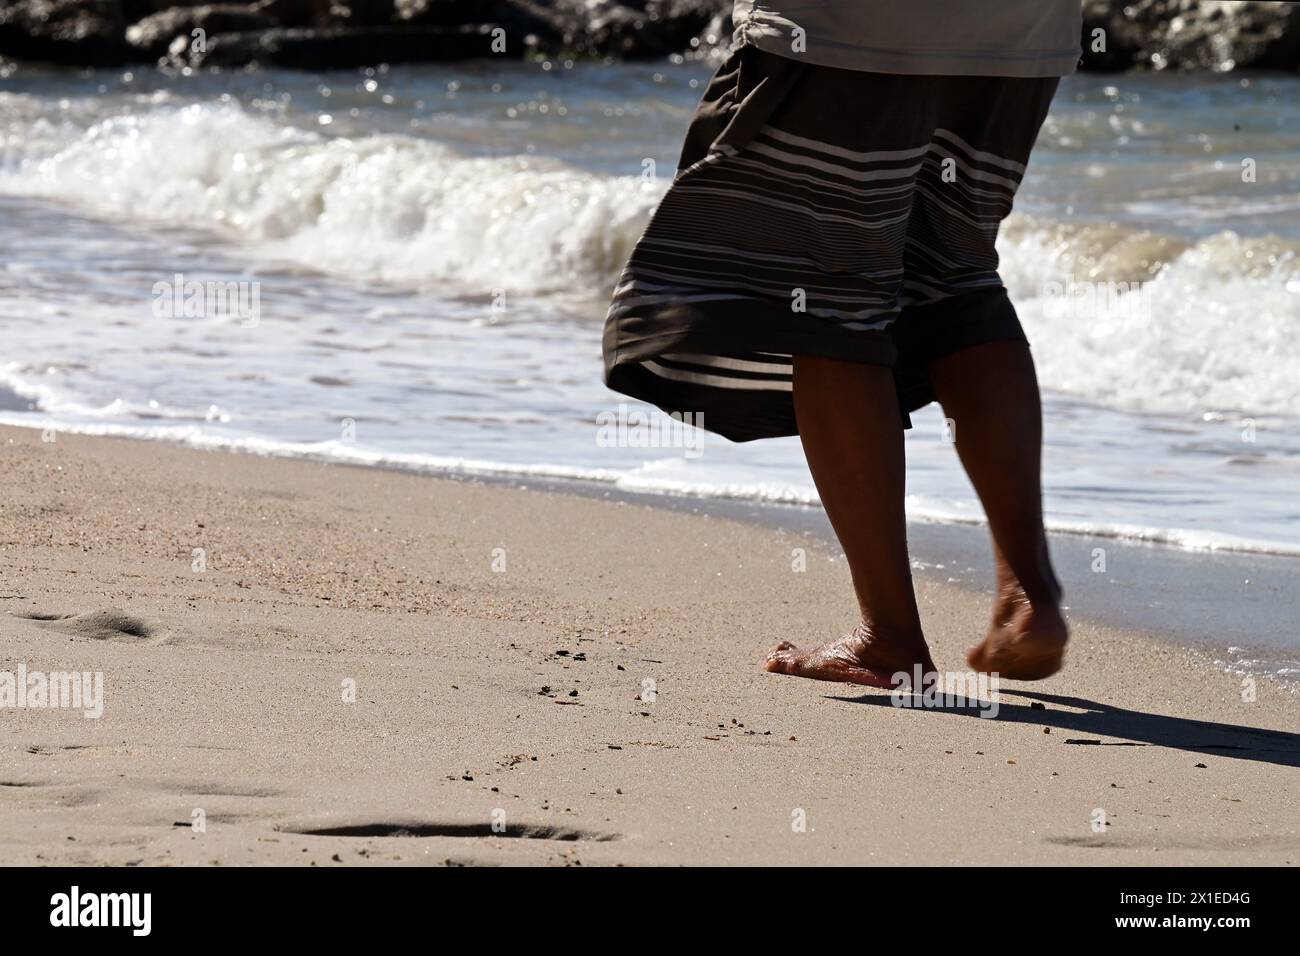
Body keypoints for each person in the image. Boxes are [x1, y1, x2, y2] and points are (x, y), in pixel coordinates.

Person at [602, 1, 1081, 687]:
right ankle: (1028, 595)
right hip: (1020, 28)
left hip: (850, 27)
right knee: (958, 273)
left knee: (829, 292)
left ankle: (890, 636)